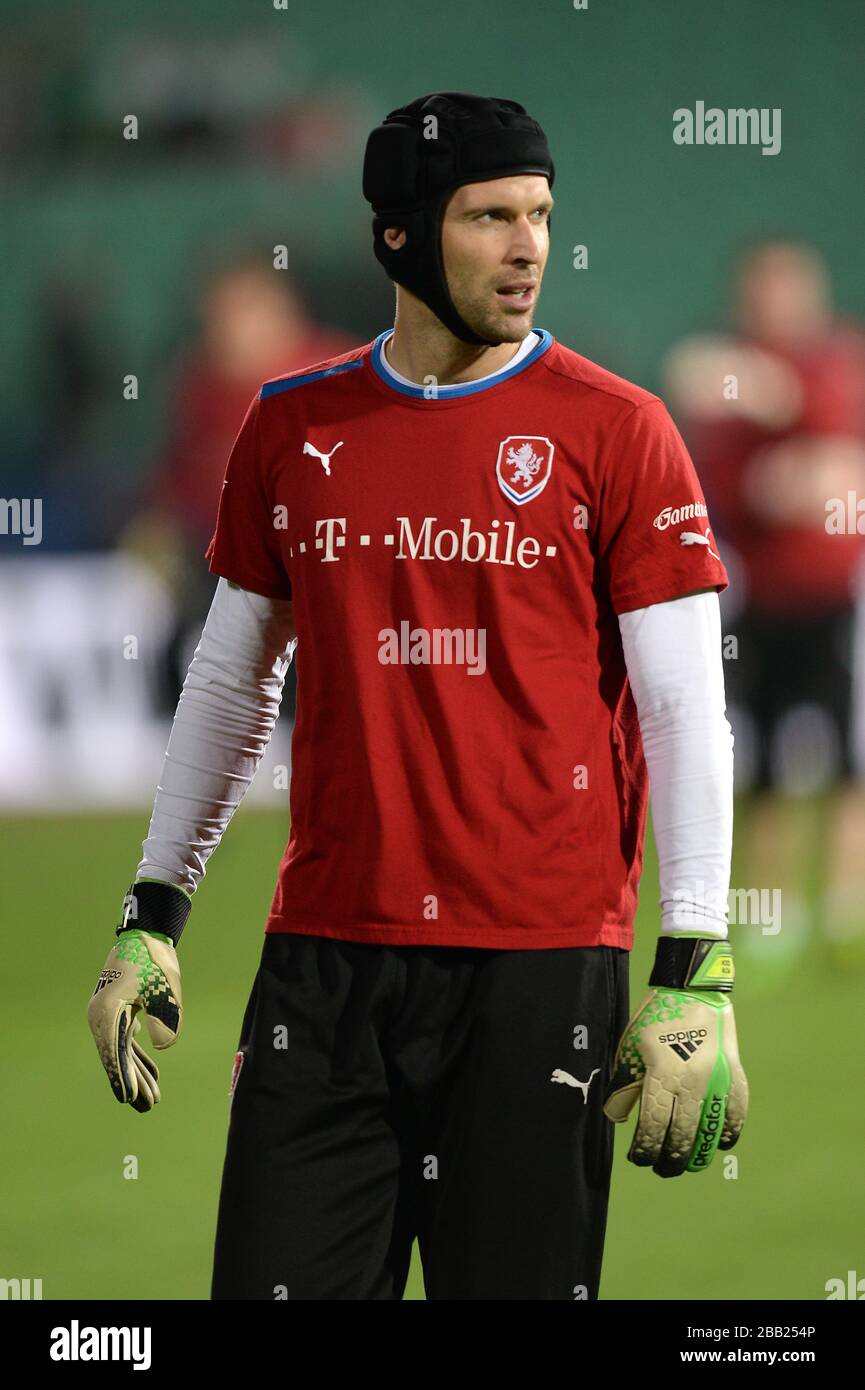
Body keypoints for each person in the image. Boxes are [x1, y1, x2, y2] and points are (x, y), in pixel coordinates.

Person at [87, 92, 748, 1301]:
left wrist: (693, 960)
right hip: (326, 971)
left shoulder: (622, 432)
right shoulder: (291, 427)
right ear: (399, 237)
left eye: (540, 214)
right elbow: (233, 686)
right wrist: (153, 911)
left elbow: (683, 711)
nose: (528, 245)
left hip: (541, 965)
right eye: (490, 214)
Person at [664, 241, 865, 969]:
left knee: (850, 762)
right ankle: (773, 918)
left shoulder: (837, 361)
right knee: (764, 770)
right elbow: (734, 475)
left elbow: (830, 461)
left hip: (838, 598)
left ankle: (846, 912)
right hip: (760, 602)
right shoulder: (726, 374)